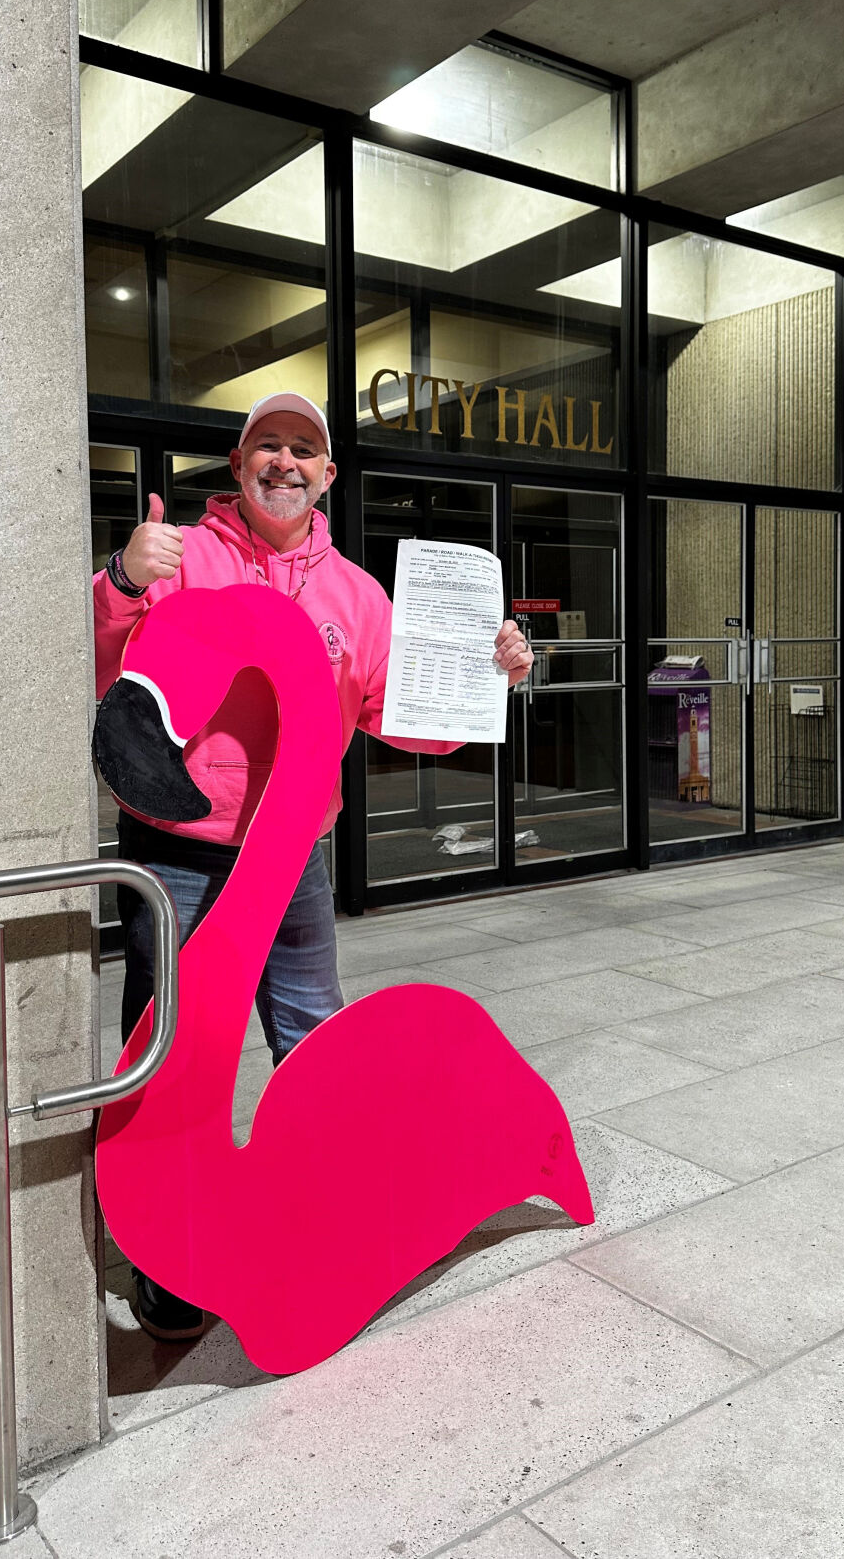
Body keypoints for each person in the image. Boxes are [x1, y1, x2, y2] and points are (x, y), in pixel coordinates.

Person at [92, 390, 533, 1339]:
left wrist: (484, 677)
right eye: (268, 446)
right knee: (169, 1051)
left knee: (311, 1038)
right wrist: (122, 580)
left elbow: (400, 716)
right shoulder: (181, 558)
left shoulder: (357, 595)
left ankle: (323, 1214)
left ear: (328, 475)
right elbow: (98, 670)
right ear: (238, 465)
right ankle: (166, 1255)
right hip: (179, 853)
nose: (284, 462)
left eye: (303, 449)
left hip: (291, 854)